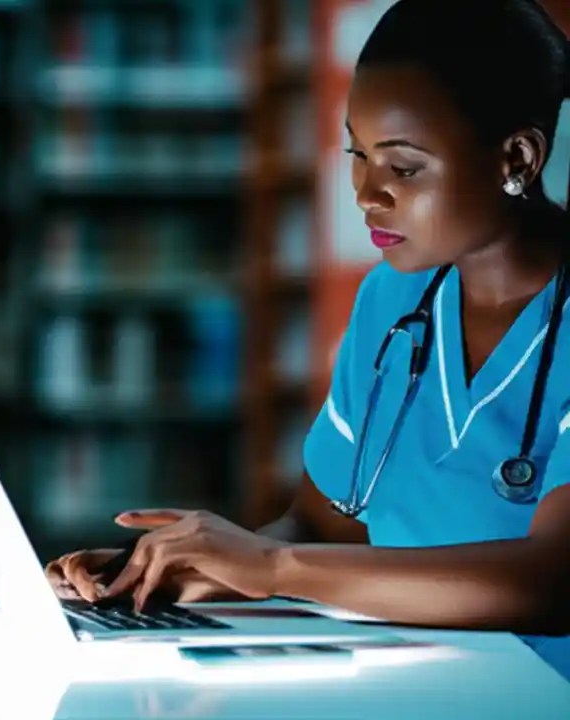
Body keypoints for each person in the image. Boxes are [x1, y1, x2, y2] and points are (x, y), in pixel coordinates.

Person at [46, 0, 570, 678]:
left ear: (518, 157)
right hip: (412, 685)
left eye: (404, 168)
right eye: (357, 153)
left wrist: (274, 567)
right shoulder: (393, 302)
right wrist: (192, 569)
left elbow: (552, 583)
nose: (366, 192)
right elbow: (322, 529)